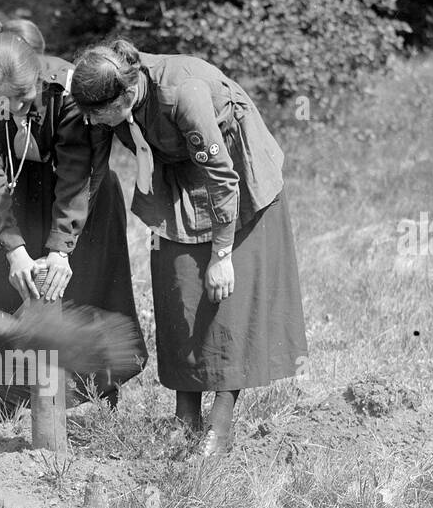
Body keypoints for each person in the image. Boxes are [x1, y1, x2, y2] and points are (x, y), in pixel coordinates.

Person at [70, 39, 307, 458]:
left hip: (234, 176)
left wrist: (221, 254)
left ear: (126, 94)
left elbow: (222, 176)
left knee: (224, 300)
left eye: (97, 114)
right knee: (176, 291)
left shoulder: (184, 93)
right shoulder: (105, 99)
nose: (90, 122)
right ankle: (186, 418)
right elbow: (90, 170)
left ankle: (221, 422)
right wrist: (62, 245)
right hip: (176, 177)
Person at [0, 20, 146, 414]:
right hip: (18, 197)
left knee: (88, 284)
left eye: (26, 98)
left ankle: (99, 394)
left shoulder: (68, 88)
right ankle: (15, 396)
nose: (20, 109)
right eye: (8, 102)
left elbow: (79, 172)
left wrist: (60, 249)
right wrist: (13, 249)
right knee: (17, 286)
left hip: (81, 197)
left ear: (39, 79)